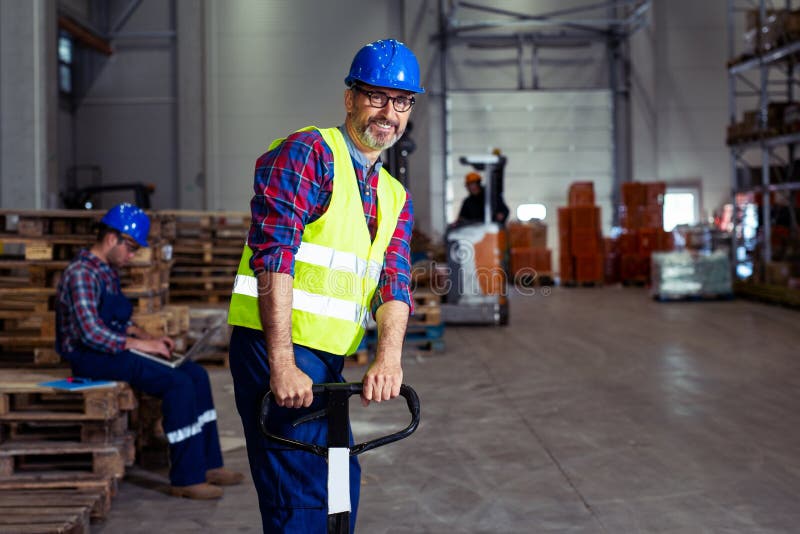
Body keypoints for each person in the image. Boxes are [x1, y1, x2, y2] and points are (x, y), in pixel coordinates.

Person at [227, 38, 422, 533]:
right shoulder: (309, 153)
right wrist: (282, 363)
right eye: (377, 96)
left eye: (401, 102)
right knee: (301, 496)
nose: (389, 113)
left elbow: (394, 282)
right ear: (350, 98)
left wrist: (389, 358)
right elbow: (274, 257)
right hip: (276, 348)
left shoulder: (393, 193)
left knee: (340, 487)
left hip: (328, 361)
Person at [55, 203, 243, 500]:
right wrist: (144, 346)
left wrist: (146, 336)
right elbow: (91, 333)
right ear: (112, 238)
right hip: (90, 358)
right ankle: (186, 478)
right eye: (130, 248)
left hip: (114, 352)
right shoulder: (82, 274)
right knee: (177, 384)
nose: (131, 256)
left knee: (196, 375)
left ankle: (209, 464)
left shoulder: (106, 271)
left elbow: (117, 322)